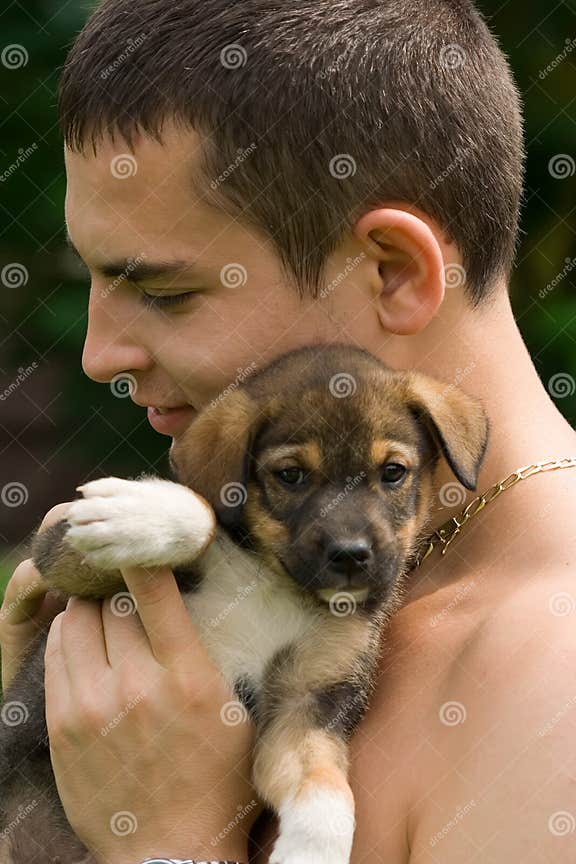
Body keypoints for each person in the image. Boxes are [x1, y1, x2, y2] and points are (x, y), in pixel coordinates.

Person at [1, 0, 575, 861]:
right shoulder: (229, 545)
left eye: (164, 290)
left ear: (392, 270)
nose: (98, 354)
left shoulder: (549, 691)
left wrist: (173, 844)